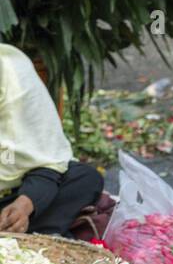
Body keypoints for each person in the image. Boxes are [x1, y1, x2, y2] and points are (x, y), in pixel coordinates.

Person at [0, 45, 103, 236]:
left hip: (13, 194)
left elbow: (45, 161)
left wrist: (25, 205)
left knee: (84, 178)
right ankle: (39, 233)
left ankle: (19, 230)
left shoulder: (11, 68)